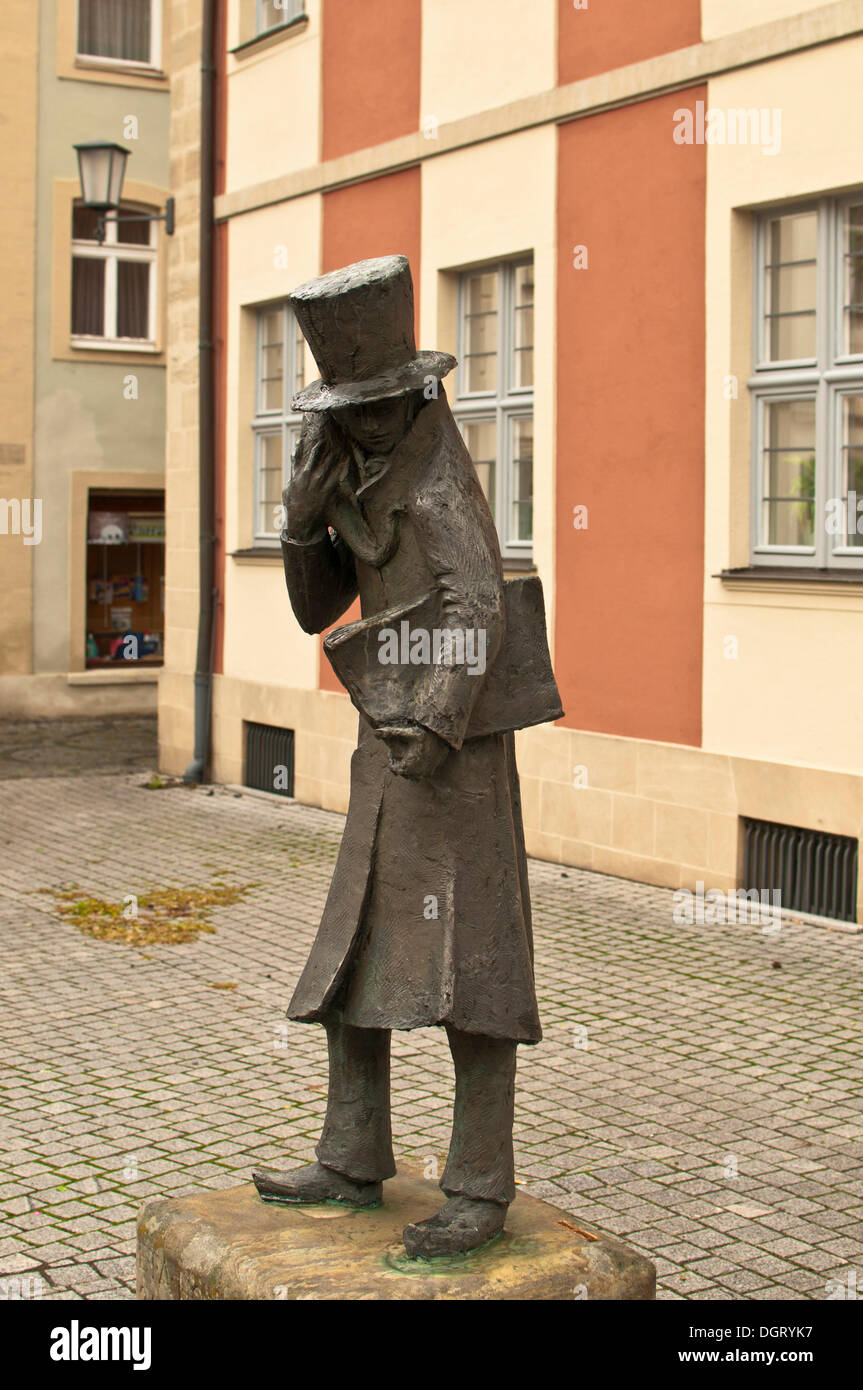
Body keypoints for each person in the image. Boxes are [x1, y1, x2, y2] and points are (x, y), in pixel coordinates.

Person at [253, 255, 560, 1258]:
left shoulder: (437, 478)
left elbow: (476, 604)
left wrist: (431, 724)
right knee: (350, 955)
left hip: (454, 752)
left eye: (385, 405)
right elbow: (315, 608)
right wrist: (302, 516)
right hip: (386, 745)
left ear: (415, 392)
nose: (372, 423)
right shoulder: (355, 473)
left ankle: (477, 1184)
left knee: (473, 969)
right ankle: (351, 1157)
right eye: (355, 410)